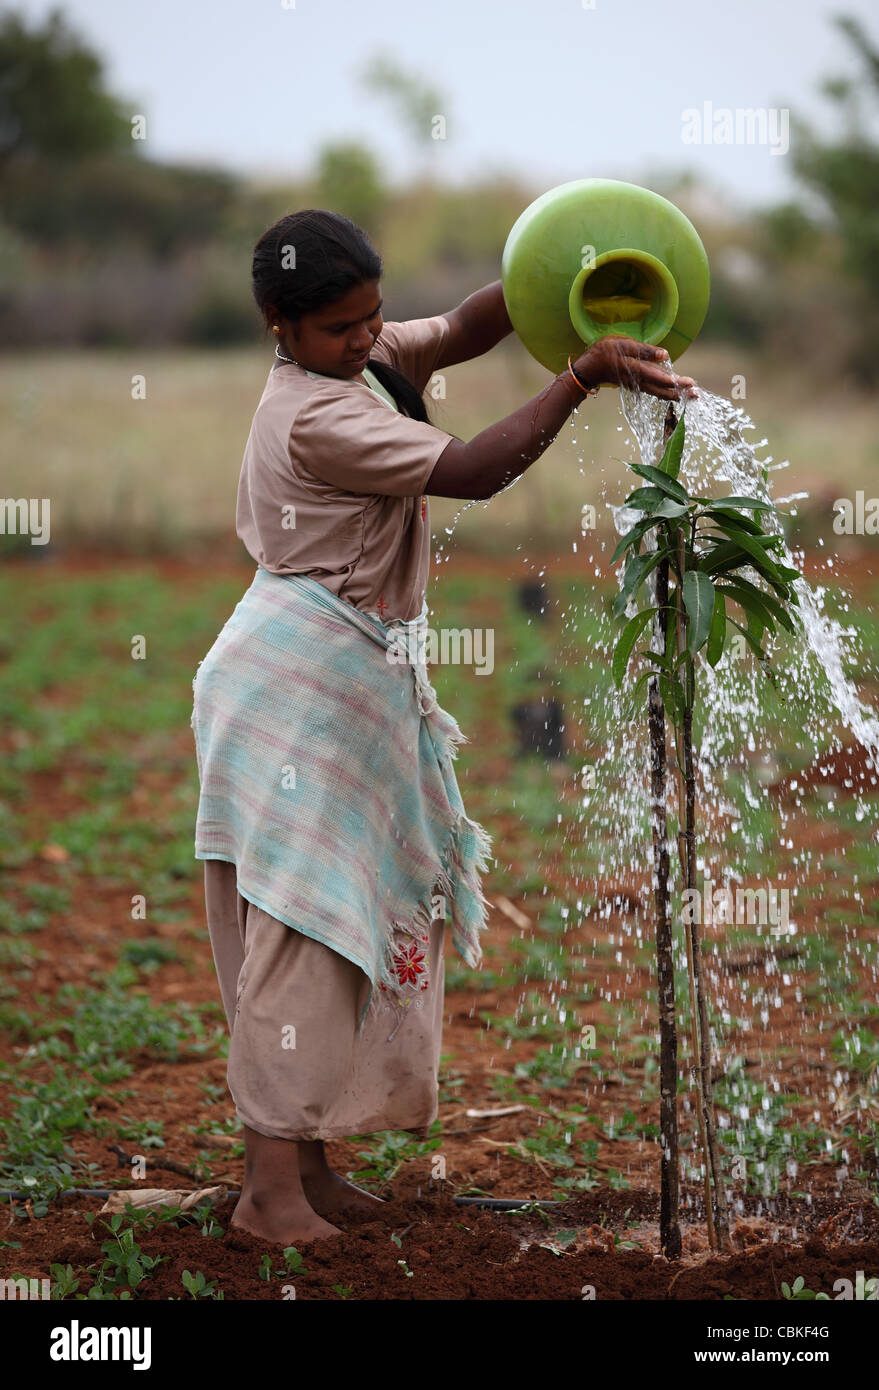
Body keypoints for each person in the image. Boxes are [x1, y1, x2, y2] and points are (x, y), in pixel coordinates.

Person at [190, 208, 695, 1246]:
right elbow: (471, 469)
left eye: (374, 316)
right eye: (341, 327)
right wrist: (581, 376)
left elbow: (465, 326)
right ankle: (268, 1194)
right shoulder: (315, 414)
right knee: (298, 928)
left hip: (341, 673)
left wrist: (572, 272)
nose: (368, 337)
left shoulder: (360, 362)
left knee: (339, 925)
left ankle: (312, 1169)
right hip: (295, 681)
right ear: (277, 325)